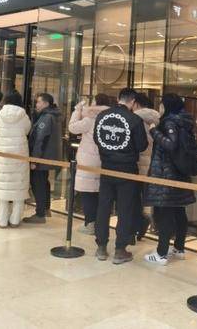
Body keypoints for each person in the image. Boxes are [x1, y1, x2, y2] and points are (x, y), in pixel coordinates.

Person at [93, 88, 148, 264]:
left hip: (106, 167)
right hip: (127, 170)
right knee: (125, 209)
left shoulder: (102, 116)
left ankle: (101, 247)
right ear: (133, 102)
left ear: (118, 98)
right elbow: (142, 145)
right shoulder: (135, 119)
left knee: (103, 207)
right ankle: (120, 250)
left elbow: (96, 139)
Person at [143, 93, 196, 265]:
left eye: (161, 104)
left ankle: (161, 254)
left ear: (167, 106)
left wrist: (154, 131)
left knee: (165, 214)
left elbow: (171, 144)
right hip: (180, 173)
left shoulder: (169, 122)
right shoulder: (184, 122)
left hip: (166, 174)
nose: (159, 108)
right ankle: (179, 248)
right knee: (179, 211)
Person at [68, 94, 110, 235]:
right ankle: (99, 224)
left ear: (95, 102)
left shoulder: (90, 118)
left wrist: (77, 111)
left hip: (88, 161)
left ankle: (90, 223)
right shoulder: (109, 118)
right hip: (104, 160)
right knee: (98, 193)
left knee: (87, 193)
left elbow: (72, 127)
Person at [0, 92, 31, 228]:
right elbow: (27, 131)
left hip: (2, 156)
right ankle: (15, 220)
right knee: (18, 187)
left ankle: (1, 219)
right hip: (19, 156)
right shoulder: (24, 117)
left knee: (3, 187)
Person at [24, 93, 62, 223]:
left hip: (41, 157)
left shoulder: (46, 117)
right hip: (46, 156)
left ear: (46, 103)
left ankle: (40, 214)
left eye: (39, 102)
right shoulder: (52, 115)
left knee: (38, 184)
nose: (36, 104)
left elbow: (40, 139)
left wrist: (35, 159)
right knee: (44, 182)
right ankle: (45, 209)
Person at [132, 92, 159, 242]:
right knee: (144, 195)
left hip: (138, 162)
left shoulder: (135, 118)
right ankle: (145, 219)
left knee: (134, 197)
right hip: (152, 163)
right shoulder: (157, 119)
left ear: (136, 104)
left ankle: (140, 222)